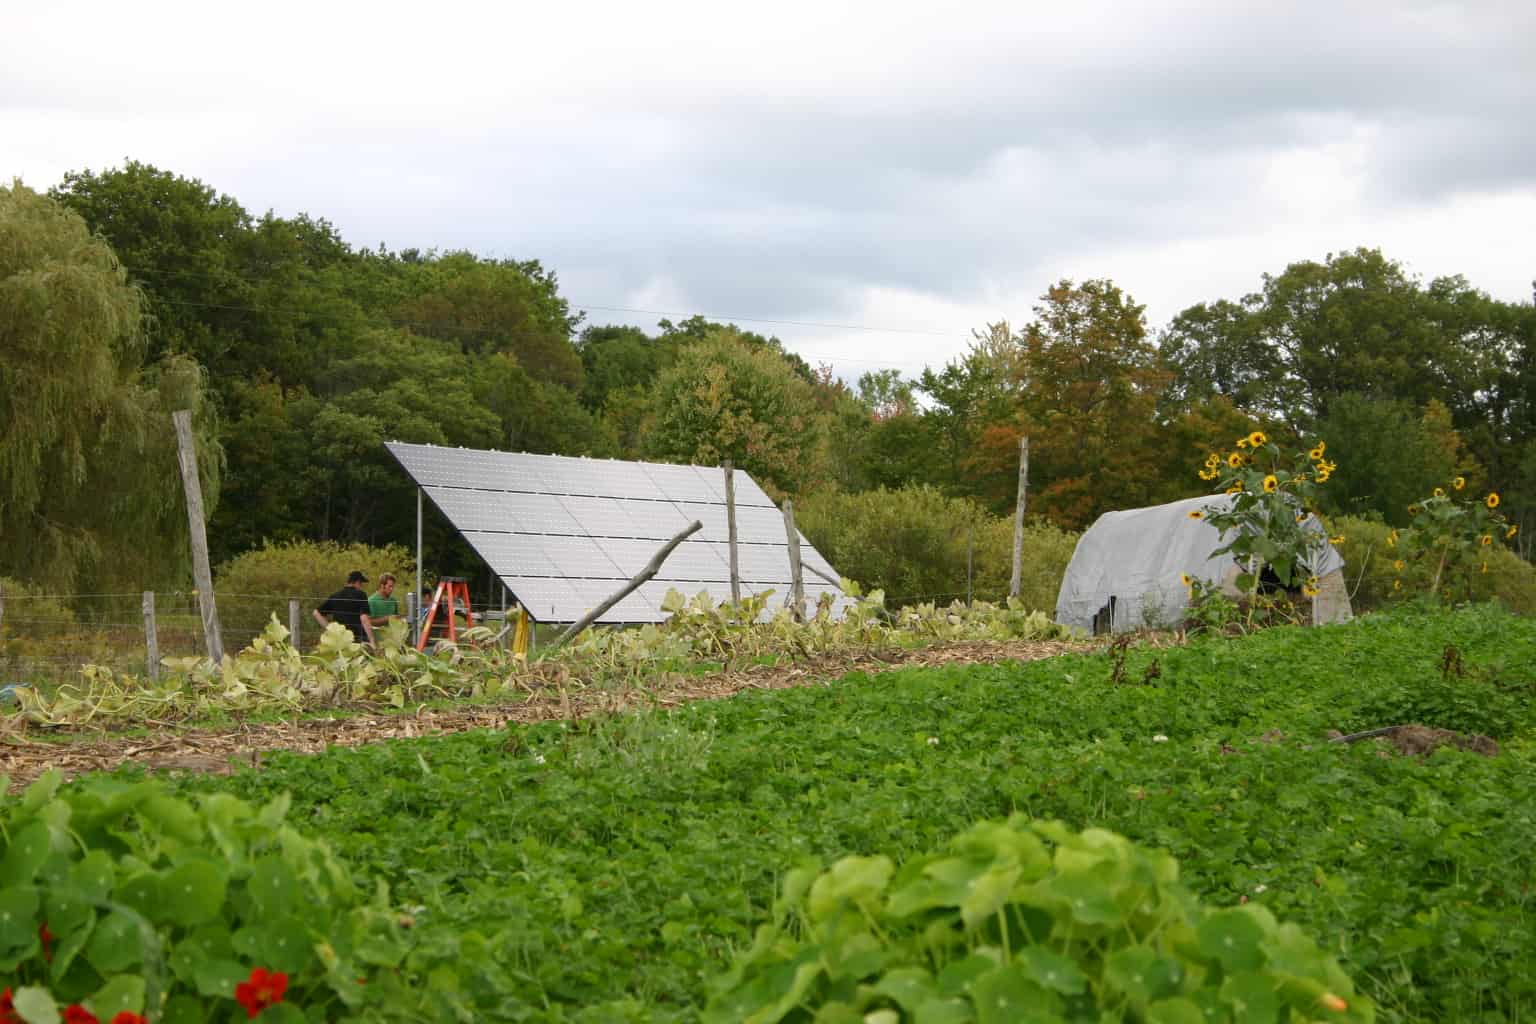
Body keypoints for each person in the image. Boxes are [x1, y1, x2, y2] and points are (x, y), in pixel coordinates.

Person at [314, 570, 374, 646]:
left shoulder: (335, 596)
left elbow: (316, 613)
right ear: (357, 582)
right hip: (357, 640)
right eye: (361, 583)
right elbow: (364, 618)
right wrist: (372, 641)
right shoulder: (361, 595)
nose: (361, 586)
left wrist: (331, 630)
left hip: (340, 640)